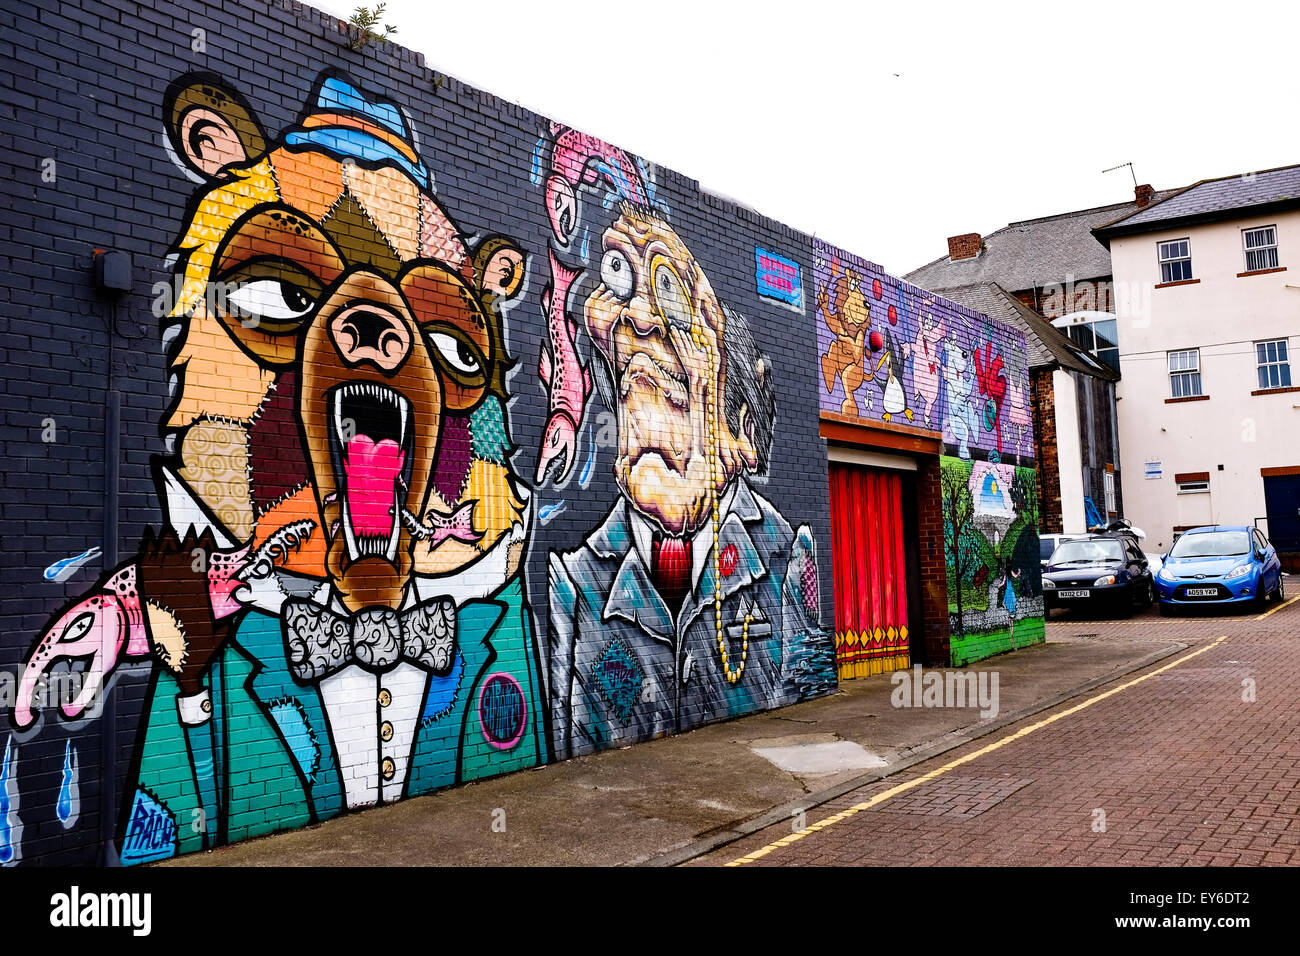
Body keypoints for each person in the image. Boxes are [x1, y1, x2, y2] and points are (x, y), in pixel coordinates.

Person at [547, 207, 830, 759]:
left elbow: (808, 706)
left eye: (674, 399)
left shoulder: (784, 560)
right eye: (634, 395)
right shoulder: (574, 586)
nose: (641, 321)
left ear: (742, 433)